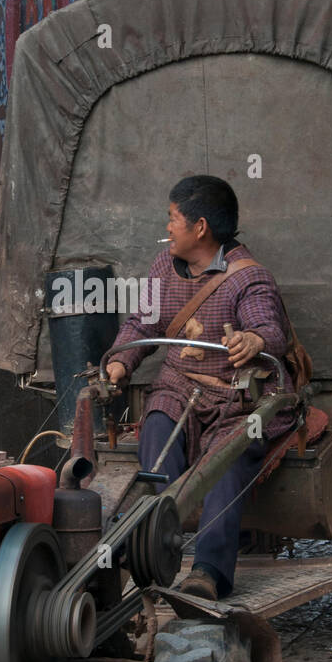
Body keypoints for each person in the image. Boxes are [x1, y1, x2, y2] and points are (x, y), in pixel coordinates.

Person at [105, 176, 297, 601]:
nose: (167, 228)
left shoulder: (248, 278)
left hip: (236, 397)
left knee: (227, 462)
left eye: (173, 219)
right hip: (179, 387)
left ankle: (208, 570)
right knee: (155, 432)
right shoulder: (162, 268)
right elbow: (141, 325)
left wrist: (255, 341)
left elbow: (270, 329)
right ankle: (160, 546)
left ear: (201, 227)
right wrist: (120, 360)